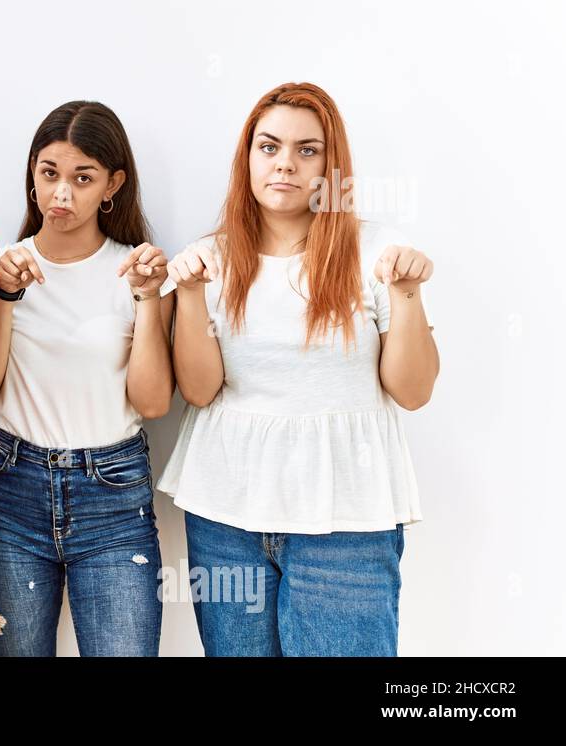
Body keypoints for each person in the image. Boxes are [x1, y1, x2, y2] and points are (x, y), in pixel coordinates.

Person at [158, 82, 439, 656]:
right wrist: (188, 295)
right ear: (248, 158)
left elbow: (412, 392)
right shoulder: (210, 256)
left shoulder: (375, 252)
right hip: (226, 512)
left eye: (307, 150)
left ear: (331, 166)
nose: (286, 162)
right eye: (269, 147)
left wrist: (407, 294)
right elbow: (200, 389)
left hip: (348, 520)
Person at [0, 100, 173, 656]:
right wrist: (4, 296)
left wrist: (149, 299)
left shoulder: (137, 269)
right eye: (49, 174)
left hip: (112, 494)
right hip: (14, 489)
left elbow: (152, 402)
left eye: (83, 179)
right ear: (32, 174)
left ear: (112, 185)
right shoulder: (2, 265)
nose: (62, 194)